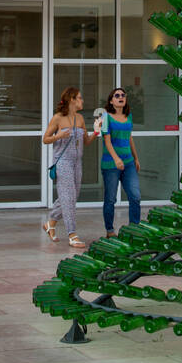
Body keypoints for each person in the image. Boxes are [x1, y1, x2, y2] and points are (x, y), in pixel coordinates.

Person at [42, 86, 96, 248]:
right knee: (68, 197)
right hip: (63, 161)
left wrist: (96, 132)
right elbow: (45, 139)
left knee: (73, 195)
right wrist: (58, 135)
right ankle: (72, 234)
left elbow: (85, 141)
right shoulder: (58, 118)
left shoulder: (79, 118)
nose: (82, 100)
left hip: (77, 162)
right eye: (79, 97)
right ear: (71, 99)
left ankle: (50, 222)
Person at [101, 86, 141, 237]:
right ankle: (110, 231)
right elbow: (107, 141)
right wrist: (116, 159)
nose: (120, 97)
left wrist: (136, 158)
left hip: (129, 162)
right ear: (111, 101)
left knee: (135, 196)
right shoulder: (106, 117)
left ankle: (134, 229)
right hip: (111, 164)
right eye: (117, 95)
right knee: (110, 199)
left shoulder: (128, 116)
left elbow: (130, 138)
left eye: (123, 95)